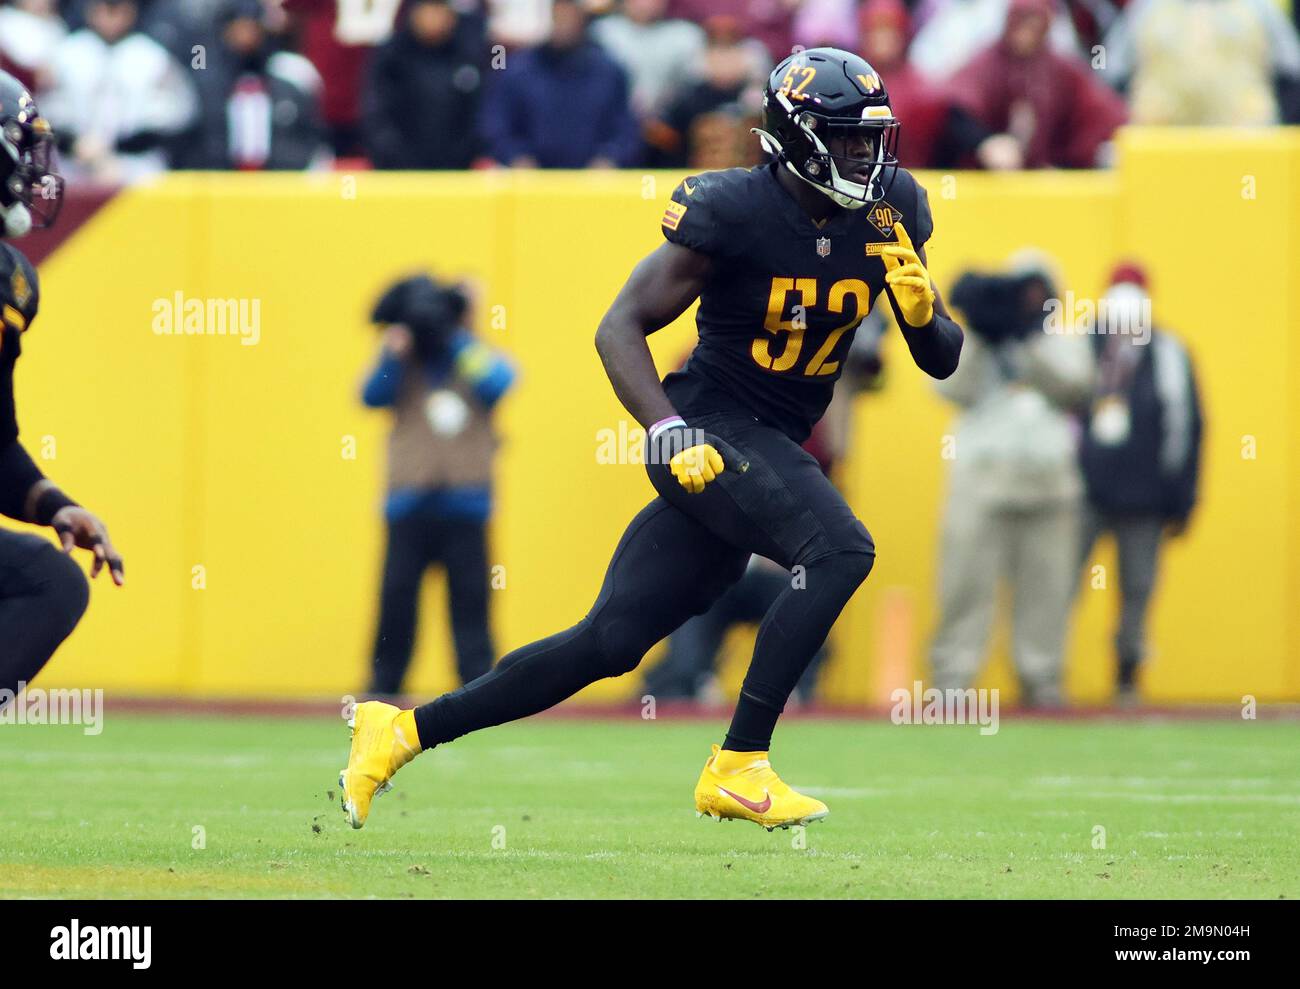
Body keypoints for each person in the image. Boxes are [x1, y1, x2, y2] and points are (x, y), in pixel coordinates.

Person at [338, 47, 963, 833]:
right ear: (798, 138)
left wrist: (921, 312)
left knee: (607, 640)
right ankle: (740, 762)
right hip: (707, 429)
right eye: (846, 140)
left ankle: (398, 732)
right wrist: (664, 429)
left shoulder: (890, 209)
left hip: (769, 441)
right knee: (841, 549)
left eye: (872, 140)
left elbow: (941, 359)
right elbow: (618, 326)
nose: (865, 157)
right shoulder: (733, 210)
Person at [0, 71, 125, 710]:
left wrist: (54, 505)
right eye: (21, 149)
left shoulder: (11, 284)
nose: (34, 170)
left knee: (51, 580)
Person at [928, 253, 1092, 706]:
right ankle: (952, 681)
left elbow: (1077, 387)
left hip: (1051, 481)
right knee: (964, 583)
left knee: (1049, 587)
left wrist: (1025, 346)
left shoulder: (1062, 337)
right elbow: (948, 387)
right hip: (982, 478)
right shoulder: (977, 340)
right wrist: (983, 336)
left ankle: (1043, 681)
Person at [361, 274, 515, 696]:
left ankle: (479, 690)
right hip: (408, 503)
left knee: (470, 604)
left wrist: (458, 338)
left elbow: (499, 383)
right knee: (396, 603)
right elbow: (370, 396)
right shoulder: (401, 362)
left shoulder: (472, 355)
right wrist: (394, 353)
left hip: (466, 503)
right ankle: (383, 689)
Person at [1077, 263, 1203, 704]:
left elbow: (1187, 425)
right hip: (1082, 492)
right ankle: (1046, 679)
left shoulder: (1168, 351)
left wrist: (1180, 499)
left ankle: (1126, 678)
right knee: (1062, 583)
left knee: (1137, 590)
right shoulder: (1083, 344)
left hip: (1145, 497)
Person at [38, 0, 197, 182]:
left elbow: (174, 118)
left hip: (136, 166)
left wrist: (115, 148)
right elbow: (47, 114)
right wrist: (74, 144)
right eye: (104, 9)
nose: (111, 18)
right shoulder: (65, 53)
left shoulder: (153, 57)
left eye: (118, 10)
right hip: (75, 166)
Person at [478, 0, 642, 169]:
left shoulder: (609, 71)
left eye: (569, 14)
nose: (563, 22)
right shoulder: (517, 70)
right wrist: (515, 156)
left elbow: (626, 129)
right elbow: (496, 126)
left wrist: (610, 157)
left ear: (582, 17)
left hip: (595, 186)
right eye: (558, 15)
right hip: (528, 185)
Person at [183, 0, 328, 170]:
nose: (246, 38)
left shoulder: (289, 73)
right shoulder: (205, 84)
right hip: (219, 182)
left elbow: (311, 138)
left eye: (252, 29)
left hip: (275, 182)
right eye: (239, 29)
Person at [363, 0, 486, 170]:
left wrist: (463, 156)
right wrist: (394, 156)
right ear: (413, 13)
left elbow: (480, 113)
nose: (434, 18)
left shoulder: (469, 56)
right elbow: (375, 114)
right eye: (428, 9)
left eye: (439, 10)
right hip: (397, 171)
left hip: (455, 172)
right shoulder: (391, 56)